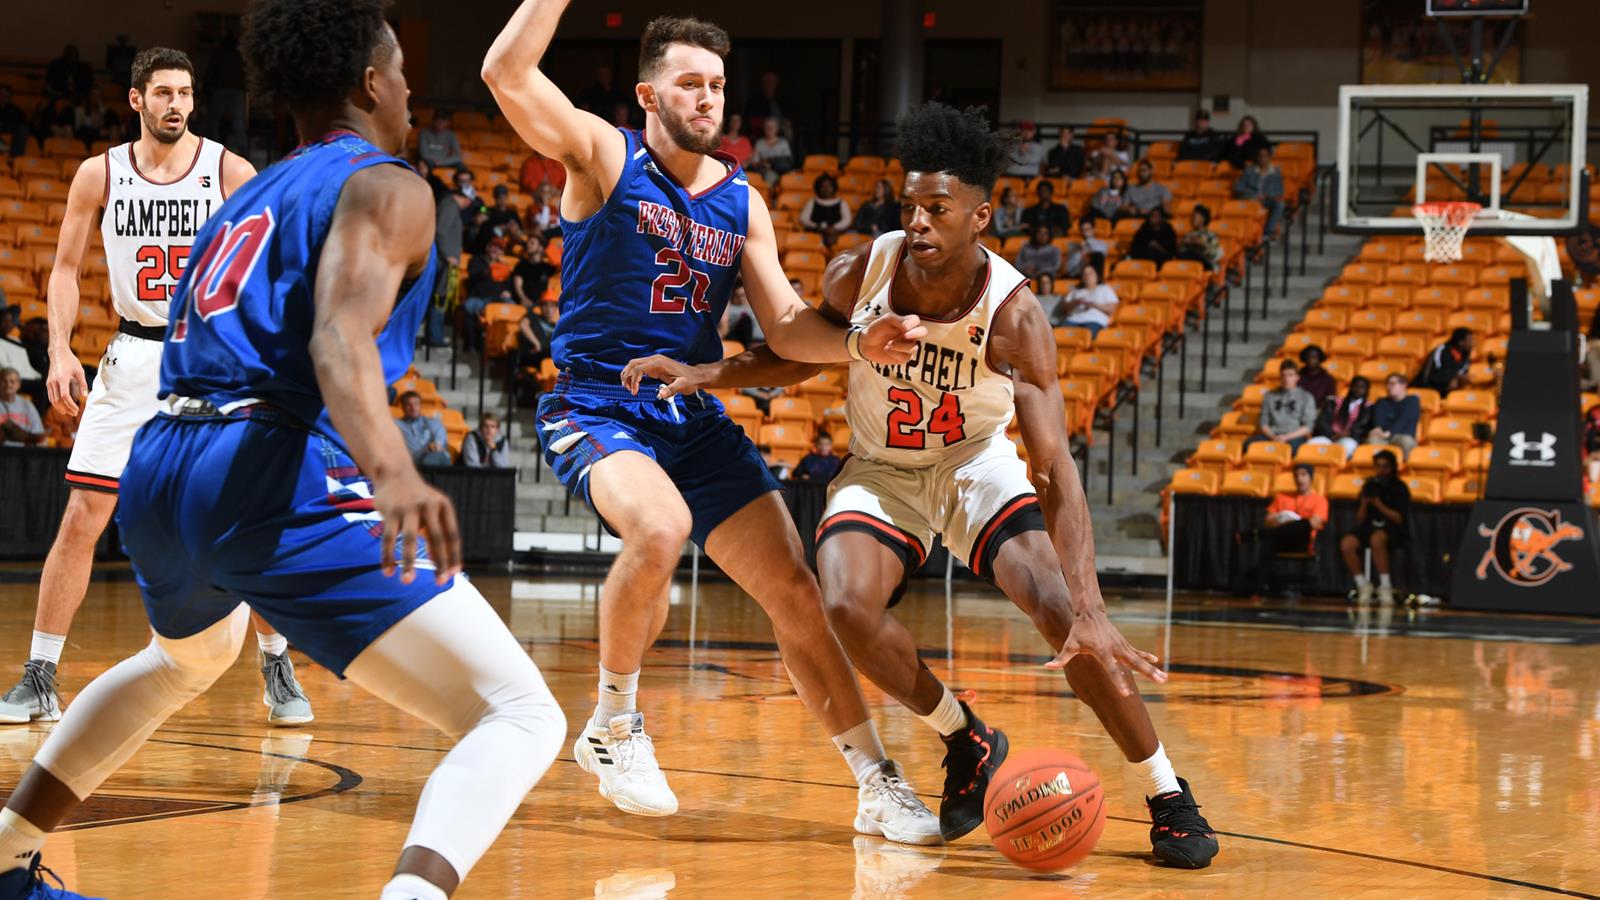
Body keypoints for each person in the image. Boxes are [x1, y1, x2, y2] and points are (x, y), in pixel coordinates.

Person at [0, 5, 567, 898]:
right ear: (371, 83)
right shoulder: (390, 185)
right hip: (264, 460)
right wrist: (395, 474)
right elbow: (338, 339)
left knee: (184, 660)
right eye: (403, 69)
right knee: (522, 713)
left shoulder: (247, 196)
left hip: (161, 457)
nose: (413, 87)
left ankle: (6, 855)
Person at [627, 102, 1217, 867]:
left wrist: (1093, 603)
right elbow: (804, 353)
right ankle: (962, 735)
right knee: (840, 602)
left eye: (937, 208)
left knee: (1058, 610)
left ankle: (1167, 792)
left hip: (975, 462)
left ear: (982, 215)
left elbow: (1054, 468)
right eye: (910, 205)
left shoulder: (1014, 315)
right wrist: (714, 371)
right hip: (881, 468)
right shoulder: (862, 271)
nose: (919, 221)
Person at [483, 5, 935, 839]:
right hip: (595, 399)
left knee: (796, 593)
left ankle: (877, 779)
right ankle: (613, 724)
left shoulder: (742, 200)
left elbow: (790, 326)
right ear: (648, 95)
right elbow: (506, 75)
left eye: (718, 85)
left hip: (687, 412)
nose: (708, 98)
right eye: (690, 84)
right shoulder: (602, 153)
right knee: (659, 530)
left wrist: (862, 344)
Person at [0, 47, 314, 729]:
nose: (177, 104)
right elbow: (61, 270)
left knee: (248, 520)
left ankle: (276, 659)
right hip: (135, 356)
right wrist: (59, 348)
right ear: (137, 101)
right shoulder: (99, 174)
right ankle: (40, 674)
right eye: (164, 92)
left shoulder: (230, 170)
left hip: (213, 361)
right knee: (82, 518)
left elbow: (277, 267)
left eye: (187, 92)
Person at [1234, 464, 1328, 595]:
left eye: (1303, 475)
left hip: (1302, 542)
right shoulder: (1281, 497)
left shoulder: (1320, 500)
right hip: (1281, 540)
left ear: (1311, 478)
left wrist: (1294, 522)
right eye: (1296, 475)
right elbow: (1268, 521)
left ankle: (1255, 535)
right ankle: (1261, 586)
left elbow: (1315, 522)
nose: (1299, 479)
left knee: (1303, 524)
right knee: (1271, 538)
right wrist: (1284, 520)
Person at [1340, 449, 1411, 605]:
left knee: (1377, 539)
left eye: (1385, 466)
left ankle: (1385, 586)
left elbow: (1398, 518)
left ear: (1393, 467)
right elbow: (1359, 519)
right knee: (1347, 543)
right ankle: (1363, 585)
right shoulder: (1370, 486)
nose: (1381, 470)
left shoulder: (1399, 488)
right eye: (1378, 466)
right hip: (1369, 526)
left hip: (1393, 529)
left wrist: (1378, 504)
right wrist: (1365, 503)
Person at [1248, 360, 1317, 452]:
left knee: (1293, 448)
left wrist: (1286, 437)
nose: (1286, 379)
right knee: (1249, 444)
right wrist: (1274, 437)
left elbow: (1308, 426)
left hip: (1294, 435)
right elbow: (1263, 422)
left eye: (1290, 375)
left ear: (1297, 377)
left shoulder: (1306, 397)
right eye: (1283, 375)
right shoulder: (1270, 395)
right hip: (1272, 434)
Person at [1233, 145, 1285, 240]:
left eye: (1265, 156)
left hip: (1267, 199)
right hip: (1252, 199)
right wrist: (1255, 195)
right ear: (1257, 158)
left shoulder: (1275, 172)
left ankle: (1267, 232)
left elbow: (1279, 190)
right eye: (1260, 156)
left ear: (1269, 157)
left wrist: (1269, 195)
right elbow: (1239, 188)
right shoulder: (1249, 171)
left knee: (1280, 204)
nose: (1262, 159)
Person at [1312, 374, 1371, 455]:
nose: (1358, 389)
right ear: (1351, 387)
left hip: (1350, 438)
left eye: (1362, 387)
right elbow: (1322, 420)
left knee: (1347, 447)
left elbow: (1362, 426)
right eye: (1356, 386)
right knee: (1311, 445)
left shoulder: (1369, 407)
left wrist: (1348, 433)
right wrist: (1332, 433)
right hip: (1329, 435)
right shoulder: (1335, 402)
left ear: (1366, 390)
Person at [1366, 372, 1421, 457]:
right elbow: (1379, 420)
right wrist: (1378, 428)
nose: (1388, 387)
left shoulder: (1412, 401)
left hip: (1402, 435)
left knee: (1406, 441)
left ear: (1403, 385)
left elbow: (1404, 419)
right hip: (1383, 436)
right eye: (1387, 384)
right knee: (1372, 440)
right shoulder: (1381, 402)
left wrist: (1390, 432)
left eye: (1392, 384)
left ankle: (1406, 467)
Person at [397, 390, 452, 466]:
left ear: (420, 406)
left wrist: (434, 447)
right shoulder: (397, 425)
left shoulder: (433, 422)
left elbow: (439, 444)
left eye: (416, 404)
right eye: (408, 405)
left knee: (432, 458)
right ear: (402, 407)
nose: (413, 408)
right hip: (412, 463)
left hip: (434, 459)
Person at [1415, 327, 1474, 397]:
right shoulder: (1441, 351)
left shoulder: (1465, 357)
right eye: (1470, 340)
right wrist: (1453, 377)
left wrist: (1457, 378)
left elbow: (1461, 374)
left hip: (1447, 393)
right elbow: (1431, 375)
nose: (1473, 343)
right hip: (1426, 389)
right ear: (1461, 342)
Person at [800, 173, 854, 249]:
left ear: (834, 187)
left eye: (829, 186)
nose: (826, 189)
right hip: (815, 233)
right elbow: (804, 218)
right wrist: (816, 226)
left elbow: (847, 220)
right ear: (818, 188)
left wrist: (834, 227)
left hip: (836, 233)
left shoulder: (841, 202)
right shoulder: (812, 201)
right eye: (823, 186)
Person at [0, 367, 45, 446]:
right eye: (4, 381)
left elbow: (38, 433)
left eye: (12, 381)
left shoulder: (27, 405)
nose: (8, 384)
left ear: (19, 384)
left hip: (23, 453)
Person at [1176, 203, 1223, 270]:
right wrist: (1183, 243)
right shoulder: (1188, 235)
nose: (1192, 219)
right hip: (1189, 266)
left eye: (1195, 217)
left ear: (1203, 219)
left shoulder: (1211, 235)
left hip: (1205, 265)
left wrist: (1203, 245)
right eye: (1192, 217)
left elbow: (1214, 255)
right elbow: (1181, 252)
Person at [746, 115, 793, 182]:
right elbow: (754, 162)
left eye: (772, 127)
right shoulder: (760, 143)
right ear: (764, 128)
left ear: (777, 128)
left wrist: (773, 162)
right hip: (764, 172)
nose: (770, 129)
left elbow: (788, 162)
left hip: (782, 172)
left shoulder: (783, 143)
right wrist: (764, 163)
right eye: (767, 127)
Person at [1295, 344, 1338, 409]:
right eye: (1308, 357)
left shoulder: (1328, 379)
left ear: (1320, 359)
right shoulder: (1297, 377)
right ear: (1304, 358)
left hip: (1319, 413)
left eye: (1314, 357)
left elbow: (1330, 401)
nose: (1311, 360)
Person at [0, 85, 31, 157]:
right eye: (1, 94)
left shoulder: (16, 110)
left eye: (5, 96)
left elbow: (24, 123)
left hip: (9, 127)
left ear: (9, 97)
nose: (2, 97)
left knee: (23, 129)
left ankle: (16, 158)